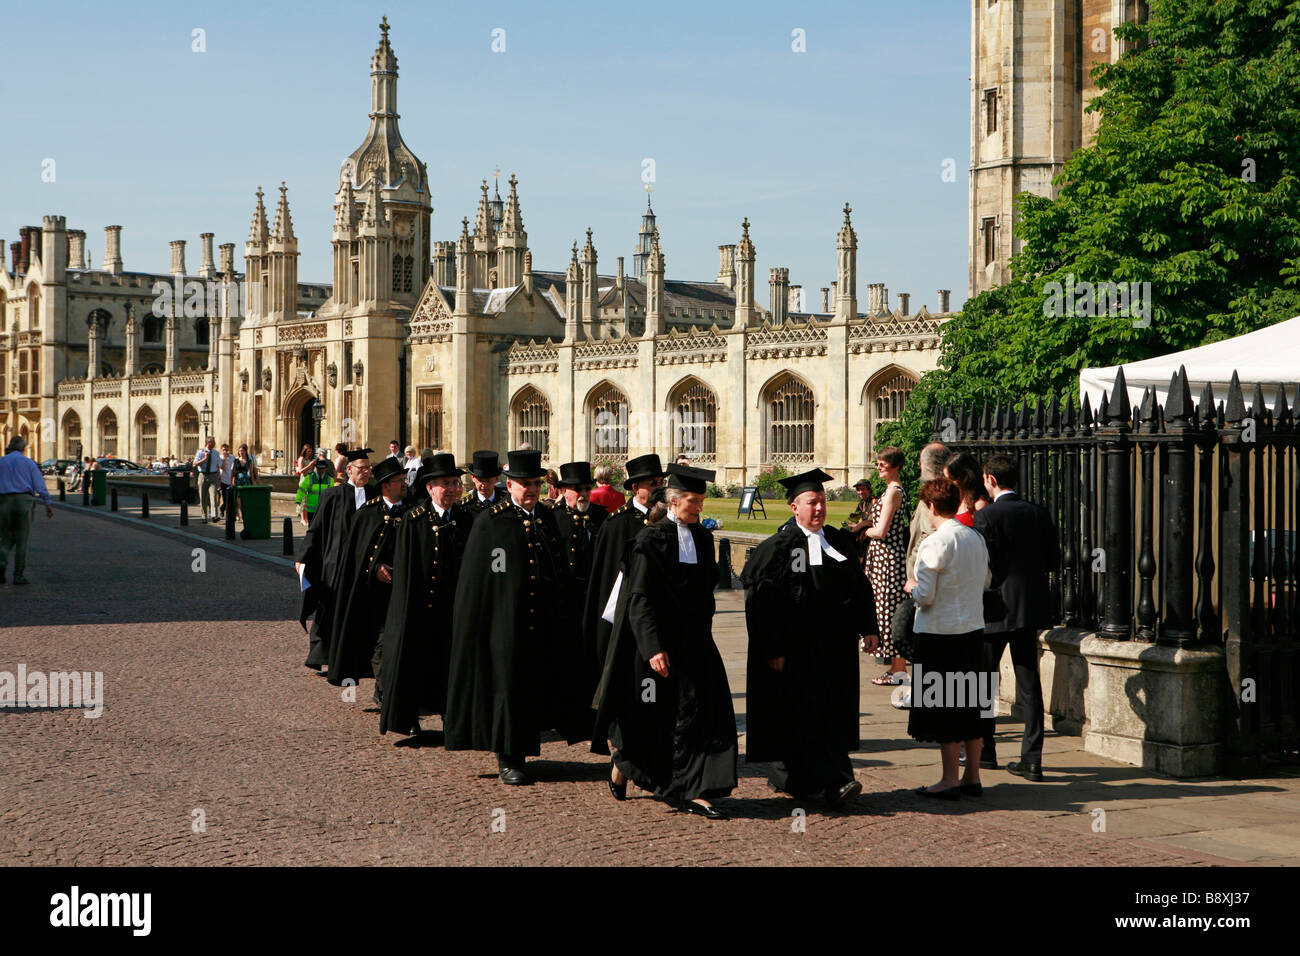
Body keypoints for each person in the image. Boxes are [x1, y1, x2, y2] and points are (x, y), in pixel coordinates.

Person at [593, 464, 737, 819]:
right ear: (674, 502)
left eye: (702, 500)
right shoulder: (649, 541)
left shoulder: (703, 538)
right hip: (657, 646)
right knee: (653, 718)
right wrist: (653, 647)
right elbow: (639, 600)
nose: (699, 507)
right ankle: (625, 763)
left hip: (696, 643)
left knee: (705, 712)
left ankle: (696, 788)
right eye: (693, 500)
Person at [445, 449, 586, 785]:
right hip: (504, 622)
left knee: (532, 688)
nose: (531, 489)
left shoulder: (546, 519)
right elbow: (481, 582)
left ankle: (526, 747)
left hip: (541, 620)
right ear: (510, 485)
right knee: (507, 688)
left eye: (536, 483)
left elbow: (555, 566)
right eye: (525, 484)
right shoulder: (491, 523)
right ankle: (509, 758)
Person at [742, 468, 874, 807]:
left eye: (822, 502)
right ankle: (820, 782)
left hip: (835, 647)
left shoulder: (837, 541)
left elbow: (859, 586)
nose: (819, 509)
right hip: (796, 649)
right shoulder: (778, 548)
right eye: (811, 503)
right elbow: (762, 603)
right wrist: (771, 646)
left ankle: (834, 780)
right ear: (794, 507)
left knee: (832, 712)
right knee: (801, 715)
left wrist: (869, 627)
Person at [904, 476, 991, 799]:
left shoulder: (936, 542)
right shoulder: (974, 537)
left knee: (946, 706)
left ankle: (949, 778)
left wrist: (912, 587)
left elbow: (925, 596)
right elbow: (984, 580)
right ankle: (972, 776)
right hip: (972, 630)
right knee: (971, 704)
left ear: (929, 507)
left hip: (940, 634)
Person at [974, 453, 1060, 782]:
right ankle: (1032, 758)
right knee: (1029, 686)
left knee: (983, 682)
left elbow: (982, 565)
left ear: (991, 480)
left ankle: (986, 750)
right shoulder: (1038, 513)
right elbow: (1053, 560)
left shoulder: (987, 517)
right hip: (1029, 607)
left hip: (993, 608)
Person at [378, 453, 473, 738]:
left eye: (457, 482)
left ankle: (453, 719)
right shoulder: (414, 520)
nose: (454, 489)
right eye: (447, 483)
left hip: (454, 610)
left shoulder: (467, 520)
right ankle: (410, 718)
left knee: (452, 669)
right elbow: (406, 572)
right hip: (421, 610)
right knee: (415, 667)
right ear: (430, 487)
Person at [583, 454, 667, 689]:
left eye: (661, 483)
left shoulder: (667, 521)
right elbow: (606, 579)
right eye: (653, 484)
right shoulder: (617, 524)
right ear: (636, 487)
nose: (659, 488)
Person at [327, 456, 409, 697]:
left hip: (402, 589)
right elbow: (357, 556)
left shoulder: (412, 513)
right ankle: (383, 691)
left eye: (405, 480)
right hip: (372, 594)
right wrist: (375, 568)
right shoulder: (368, 514)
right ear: (385, 486)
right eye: (399, 481)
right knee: (381, 641)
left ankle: (386, 688)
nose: (404, 484)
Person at [296, 448, 379, 670]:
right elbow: (316, 529)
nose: (366, 473)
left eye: (369, 468)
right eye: (362, 468)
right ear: (349, 470)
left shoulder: (375, 494)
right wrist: (302, 557)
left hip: (366, 564)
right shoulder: (333, 495)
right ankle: (322, 656)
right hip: (336, 563)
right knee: (330, 608)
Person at [864, 446, 909, 683]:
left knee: (890, 613)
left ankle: (899, 670)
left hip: (889, 559)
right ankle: (895, 668)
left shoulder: (893, 491)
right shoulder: (890, 490)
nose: (879, 467)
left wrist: (864, 530)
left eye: (884, 463)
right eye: (878, 463)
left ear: (896, 466)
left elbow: (882, 531)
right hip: (883, 557)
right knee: (884, 611)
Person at [0, 436, 54, 586]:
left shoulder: (1, 462)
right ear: (23, 448)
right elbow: (39, 485)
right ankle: (18, 575)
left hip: (4, 501)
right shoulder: (28, 463)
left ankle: (2, 564)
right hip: (24, 501)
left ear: (10, 447)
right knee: (21, 540)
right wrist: (47, 503)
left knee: (5, 538)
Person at [943, 452, 989, 527]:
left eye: (952, 478)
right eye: (946, 478)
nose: (948, 483)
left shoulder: (979, 504)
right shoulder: (953, 498)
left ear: (965, 477)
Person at [459, 450, 502, 518]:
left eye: (488, 481)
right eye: (480, 480)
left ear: (496, 479)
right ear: (473, 478)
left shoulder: (505, 502)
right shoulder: (464, 507)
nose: (484, 485)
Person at [845, 478, 876, 570]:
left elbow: (871, 521)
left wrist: (856, 526)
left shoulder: (874, 502)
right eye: (858, 490)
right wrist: (852, 521)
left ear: (869, 489)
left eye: (863, 489)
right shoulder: (862, 503)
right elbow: (855, 518)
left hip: (871, 531)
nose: (860, 492)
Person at [295, 458, 334, 526]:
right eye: (319, 469)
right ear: (316, 468)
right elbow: (302, 489)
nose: (321, 471)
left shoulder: (329, 479)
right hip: (312, 509)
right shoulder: (310, 477)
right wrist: (298, 499)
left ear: (325, 469)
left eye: (322, 469)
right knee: (312, 528)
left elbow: (332, 493)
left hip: (324, 508)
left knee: (323, 528)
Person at [194, 436, 222, 523]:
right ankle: (204, 516)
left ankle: (214, 516)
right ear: (208, 443)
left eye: (214, 442)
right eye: (212, 442)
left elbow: (218, 465)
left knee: (213, 496)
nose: (214, 444)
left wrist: (219, 477)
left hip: (213, 476)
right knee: (203, 497)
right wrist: (204, 458)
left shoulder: (216, 453)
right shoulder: (200, 452)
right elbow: (194, 464)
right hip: (203, 475)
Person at [231, 444, 257, 520]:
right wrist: (232, 480)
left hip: (246, 480)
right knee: (238, 497)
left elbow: (252, 473)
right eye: (239, 451)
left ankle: (244, 512)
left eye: (242, 450)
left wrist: (253, 482)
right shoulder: (236, 461)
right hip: (238, 480)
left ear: (245, 451)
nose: (241, 452)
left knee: (245, 497)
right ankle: (238, 513)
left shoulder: (249, 461)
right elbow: (233, 472)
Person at [217, 443, 235, 519]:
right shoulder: (220, 458)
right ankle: (223, 509)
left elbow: (234, 468)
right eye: (224, 449)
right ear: (221, 450)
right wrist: (224, 459)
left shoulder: (232, 457)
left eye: (226, 449)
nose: (225, 451)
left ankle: (230, 513)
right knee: (225, 498)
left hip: (230, 480)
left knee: (231, 498)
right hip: (223, 480)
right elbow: (223, 468)